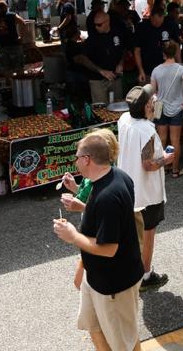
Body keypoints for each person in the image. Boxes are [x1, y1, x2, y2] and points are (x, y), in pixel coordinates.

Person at [55, 129, 144, 350]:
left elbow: (109, 249)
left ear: (87, 160)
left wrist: (73, 236)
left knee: (125, 342)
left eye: (77, 157)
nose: (75, 161)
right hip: (96, 278)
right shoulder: (114, 177)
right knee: (94, 328)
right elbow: (111, 221)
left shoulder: (107, 196)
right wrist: (81, 206)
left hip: (114, 284)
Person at [116, 85, 174, 291]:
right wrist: (165, 159)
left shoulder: (123, 120)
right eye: (152, 100)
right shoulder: (147, 131)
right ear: (147, 106)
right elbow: (148, 164)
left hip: (125, 188)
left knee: (130, 235)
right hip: (146, 194)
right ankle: (145, 276)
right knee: (148, 234)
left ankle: (129, 272)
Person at [151, 40, 183, 178]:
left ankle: (163, 169)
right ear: (176, 53)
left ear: (163, 54)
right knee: (175, 140)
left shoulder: (156, 70)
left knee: (161, 139)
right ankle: (175, 170)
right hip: (177, 107)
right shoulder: (182, 69)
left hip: (160, 107)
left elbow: (152, 91)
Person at [0, 0, 25, 79]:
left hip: (1, 48)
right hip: (14, 45)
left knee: (6, 71)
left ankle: (11, 88)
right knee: (19, 69)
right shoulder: (12, 15)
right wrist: (21, 37)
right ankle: (20, 86)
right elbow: (22, 23)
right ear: (6, 7)